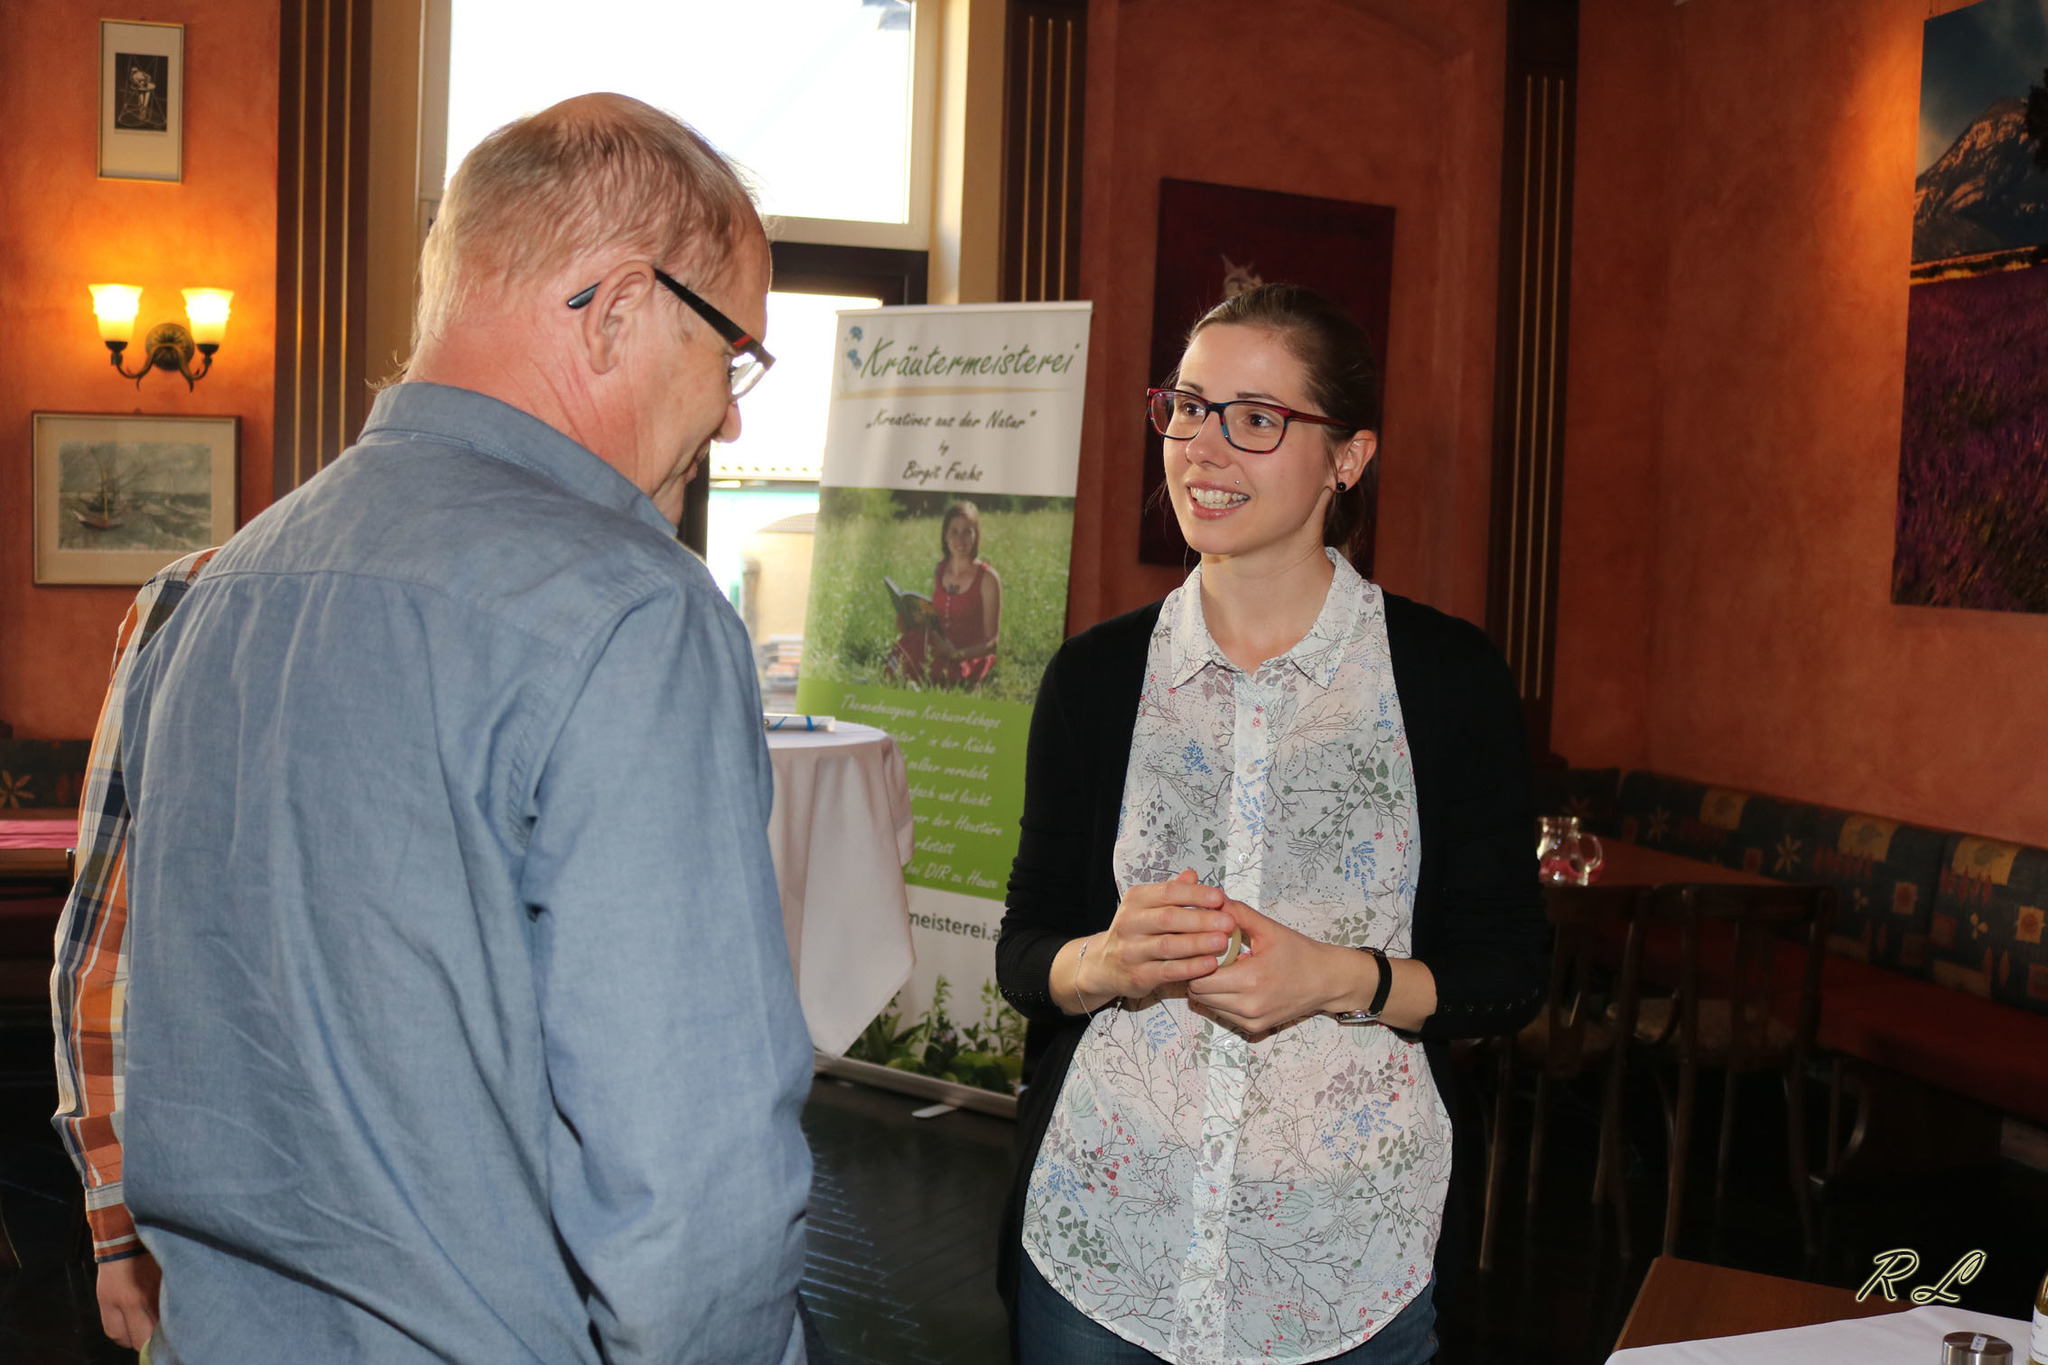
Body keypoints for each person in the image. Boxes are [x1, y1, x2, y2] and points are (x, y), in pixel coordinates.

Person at [115, 94, 812, 1365]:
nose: (729, 417)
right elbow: (690, 1191)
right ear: (614, 313)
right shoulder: (628, 616)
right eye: (732, 356)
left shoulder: (216, 587)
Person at [995, 283, 1544, 1365]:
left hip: (1345, 1254)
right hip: (1103, 1243)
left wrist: (1340, 979)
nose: (1203, 446)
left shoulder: (1444, 678)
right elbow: (1026, 953)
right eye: (1188, 407)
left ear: (1346, 457)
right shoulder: (1094, 679)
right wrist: (1102, 960)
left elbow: (1508, 972)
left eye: (1256, 418)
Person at [51, 546, 219, 1351]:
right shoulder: (184, 595)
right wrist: (117, 1217)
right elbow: (106, 942)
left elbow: (99, 948)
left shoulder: (190, 592)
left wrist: (116, 1217)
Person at [889, 500, 1004, 688]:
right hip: (940, 646)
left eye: (967, 532)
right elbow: (939, 616)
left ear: (976, 535)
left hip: (967, 657)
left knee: (933, 668)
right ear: (945, 535)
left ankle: (910, 684)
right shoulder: (941, 569)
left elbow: (992, 643)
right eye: (954, 532)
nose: (960, 540)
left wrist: (954, 654)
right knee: (910, 643)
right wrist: (912, 617)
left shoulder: (988, 578)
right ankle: (893, 681)